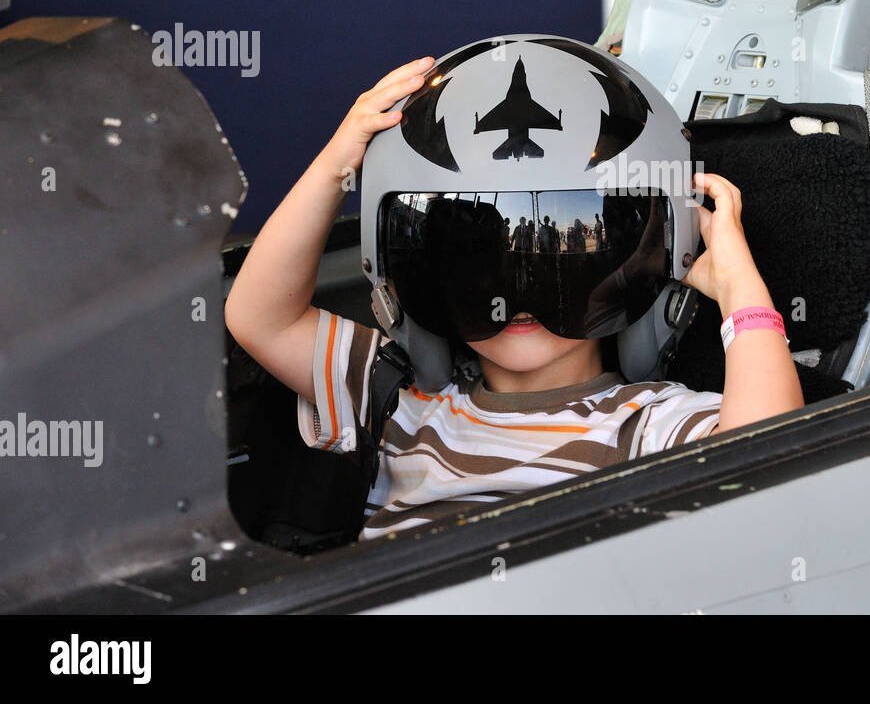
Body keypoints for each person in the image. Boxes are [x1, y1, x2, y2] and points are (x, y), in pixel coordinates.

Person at [224, 35, 802, 542]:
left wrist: (739, 288)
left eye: (562, 261)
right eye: (483, 265)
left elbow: (764, 475)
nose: (519, 295)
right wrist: (336, 165)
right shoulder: (395, 404)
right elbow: (259, 317)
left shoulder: (645, 425)